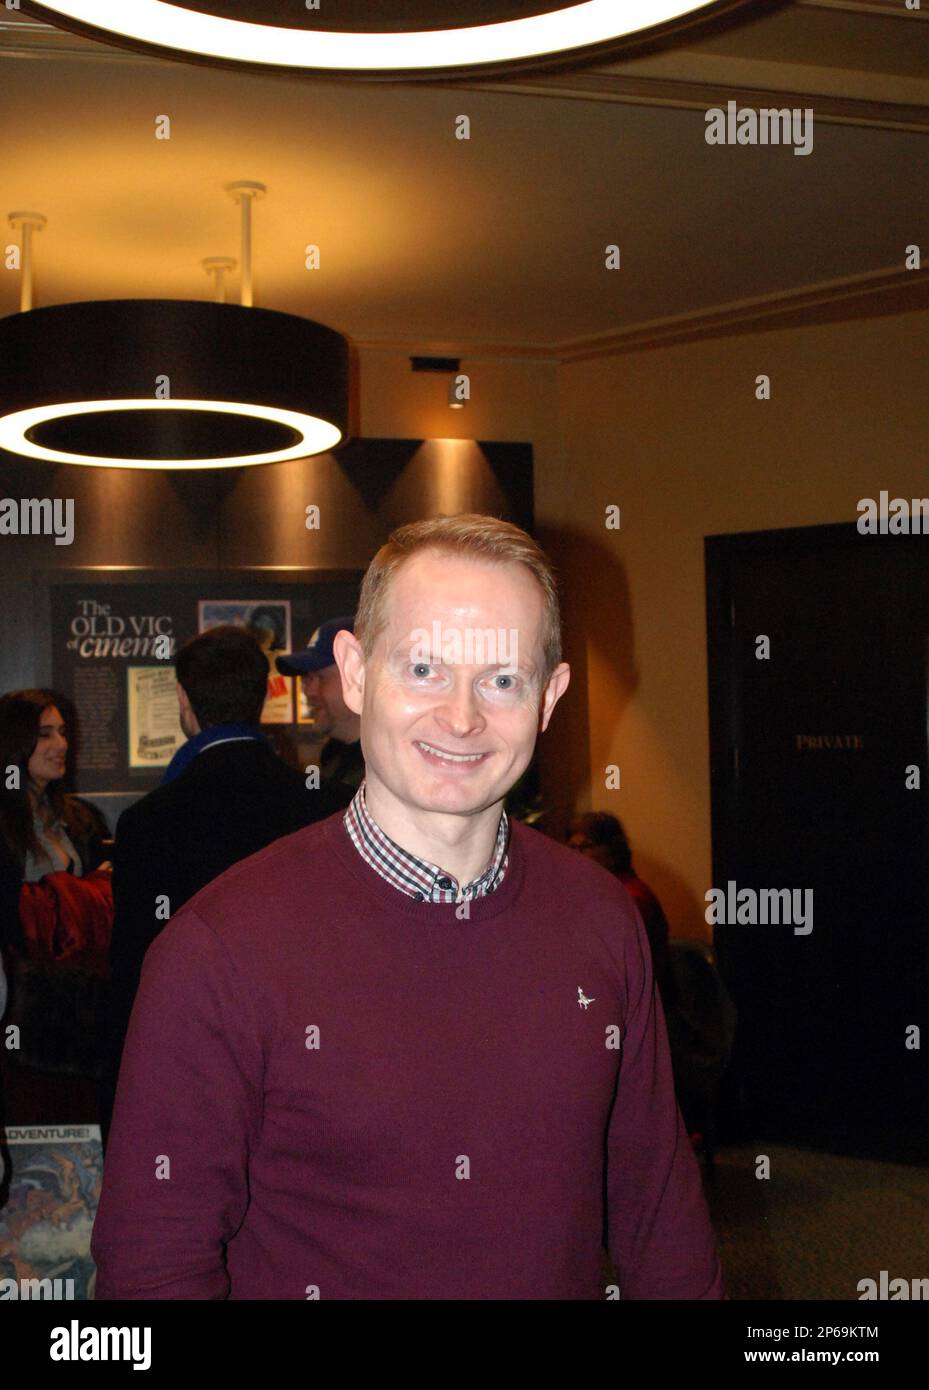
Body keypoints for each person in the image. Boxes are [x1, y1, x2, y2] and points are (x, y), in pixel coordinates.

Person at [92, 514, 724, 1300]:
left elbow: (657, 1212)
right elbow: (154, 1268)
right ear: (356, 675)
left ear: (550, 696)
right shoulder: (217, 951)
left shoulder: (602, 918)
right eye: (423, 668)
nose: (461, 718)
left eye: (502, 679)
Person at [98, 625, 343, 1142]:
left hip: (195, 1069)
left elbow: (133, 973)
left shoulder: (150, 822)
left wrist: (117, 1104)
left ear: (184, 701)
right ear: (262, 698)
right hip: (305, 1069)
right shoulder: (319, 808)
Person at [0, 690, 113, 1124]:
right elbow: (13, 916)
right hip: (20, 1015)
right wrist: (89, 895)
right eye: (45, 734)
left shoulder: (81, 818)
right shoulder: (4, 824)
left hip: (83, 1013)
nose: (61, 744)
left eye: (63, 732)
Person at [567, 811, 673, 1004]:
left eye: (585, 847)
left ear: (612, 852)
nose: (575, 856)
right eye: (572, 847)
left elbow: (609, 973)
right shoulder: (594, 896)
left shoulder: (632, 900)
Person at [276, 615, 364, 807]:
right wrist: (310, 763)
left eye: (320, 678)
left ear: (356, 677)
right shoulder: (331, 755)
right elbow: (311, 803)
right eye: (307, 679)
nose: (308, 690)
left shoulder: (384, 766)